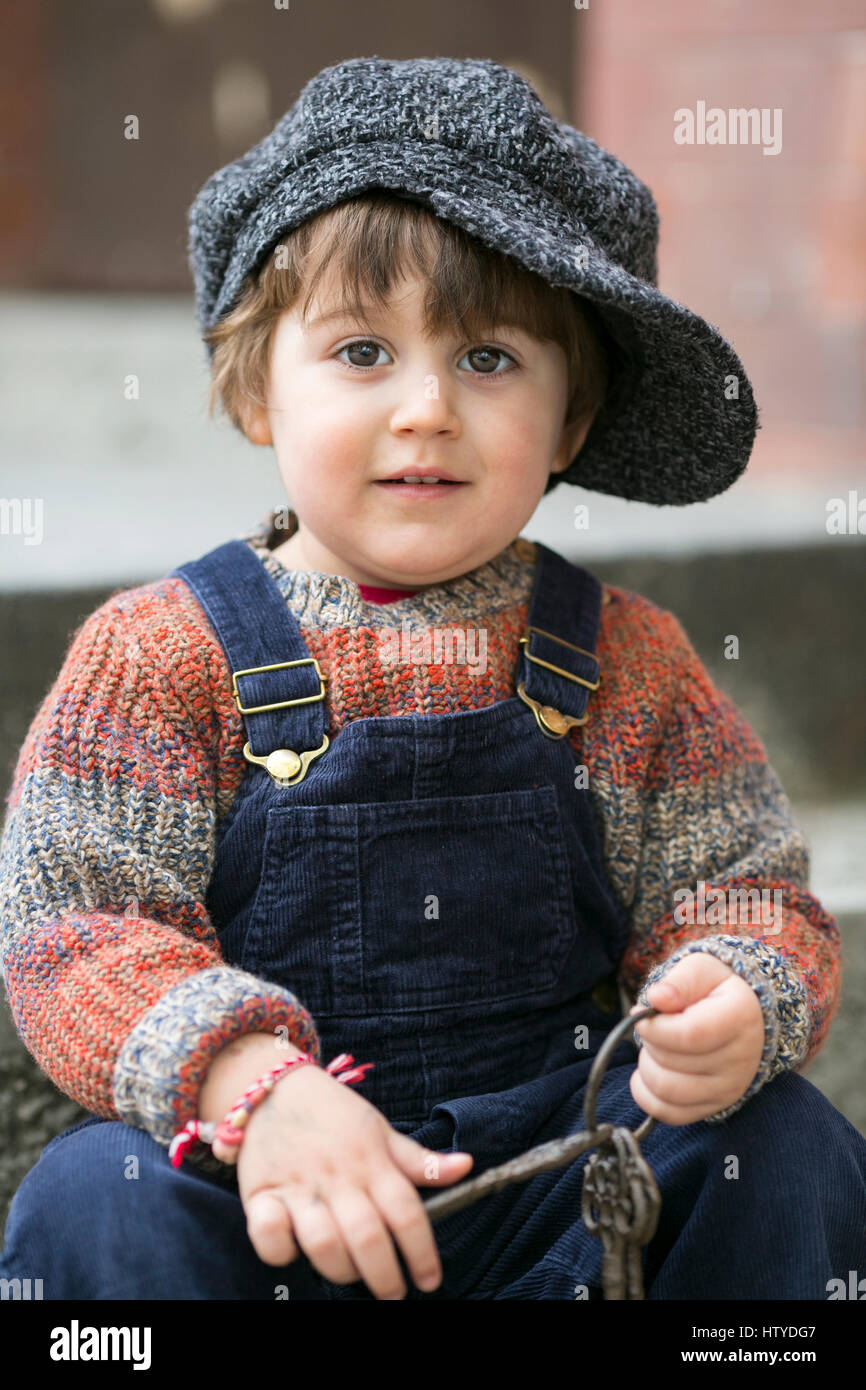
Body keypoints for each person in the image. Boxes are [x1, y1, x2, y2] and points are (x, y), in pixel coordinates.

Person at [1, 55, 864, 1302]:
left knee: (783, 1150)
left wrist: (735, 992)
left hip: (561, 1195)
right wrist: (254, 1089)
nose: (424, 409)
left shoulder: (626, 661)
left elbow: (740, 890)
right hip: (267, 1192)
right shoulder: (159, 653)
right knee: (95, 1203)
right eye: (360, 350)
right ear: (256, 390)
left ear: (570, 421)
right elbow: (74, 930)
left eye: (490, 361)